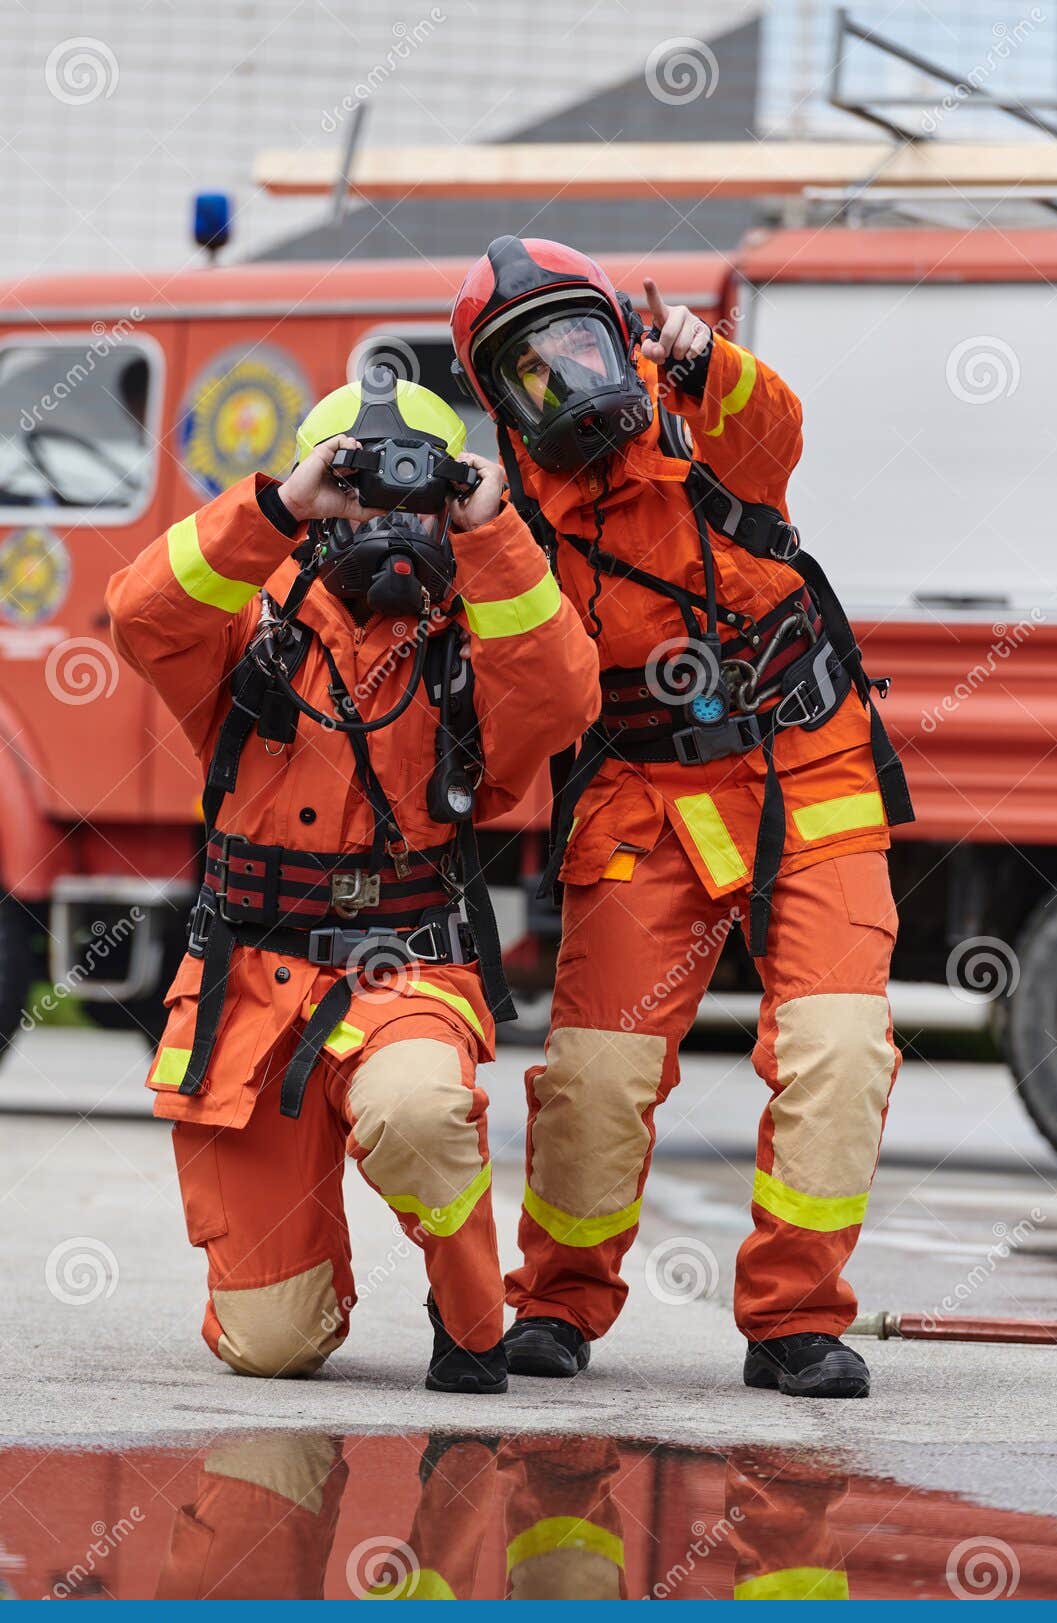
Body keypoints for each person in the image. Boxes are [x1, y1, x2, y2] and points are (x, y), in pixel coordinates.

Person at [451, 237, 912, 1399]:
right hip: (640, 796)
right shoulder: (509, 517)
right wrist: (481, 529)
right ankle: (556, 1302)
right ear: (498, 395)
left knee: (840, 1049)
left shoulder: (702, 414)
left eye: (574, 342)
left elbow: (779, 432)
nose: (562, 380)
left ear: (618, 332)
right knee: (597, 1076)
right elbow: (521, 678)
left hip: (805, 767)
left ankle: (795, 1318)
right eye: (529, 367)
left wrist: (712, 361)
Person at [107, 368, 600, 1395]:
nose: (388, 521)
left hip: (403, 977)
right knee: (270, 1347)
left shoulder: (467, 642)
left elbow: (562, 696)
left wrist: (492, 529)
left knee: (418, 1110)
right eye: (362, 490)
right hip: (249, 998)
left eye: (412, 499)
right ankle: (307, 1288)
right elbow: (139, 614)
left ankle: (469, 1324)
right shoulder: (252, 637)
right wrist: (280, 505)